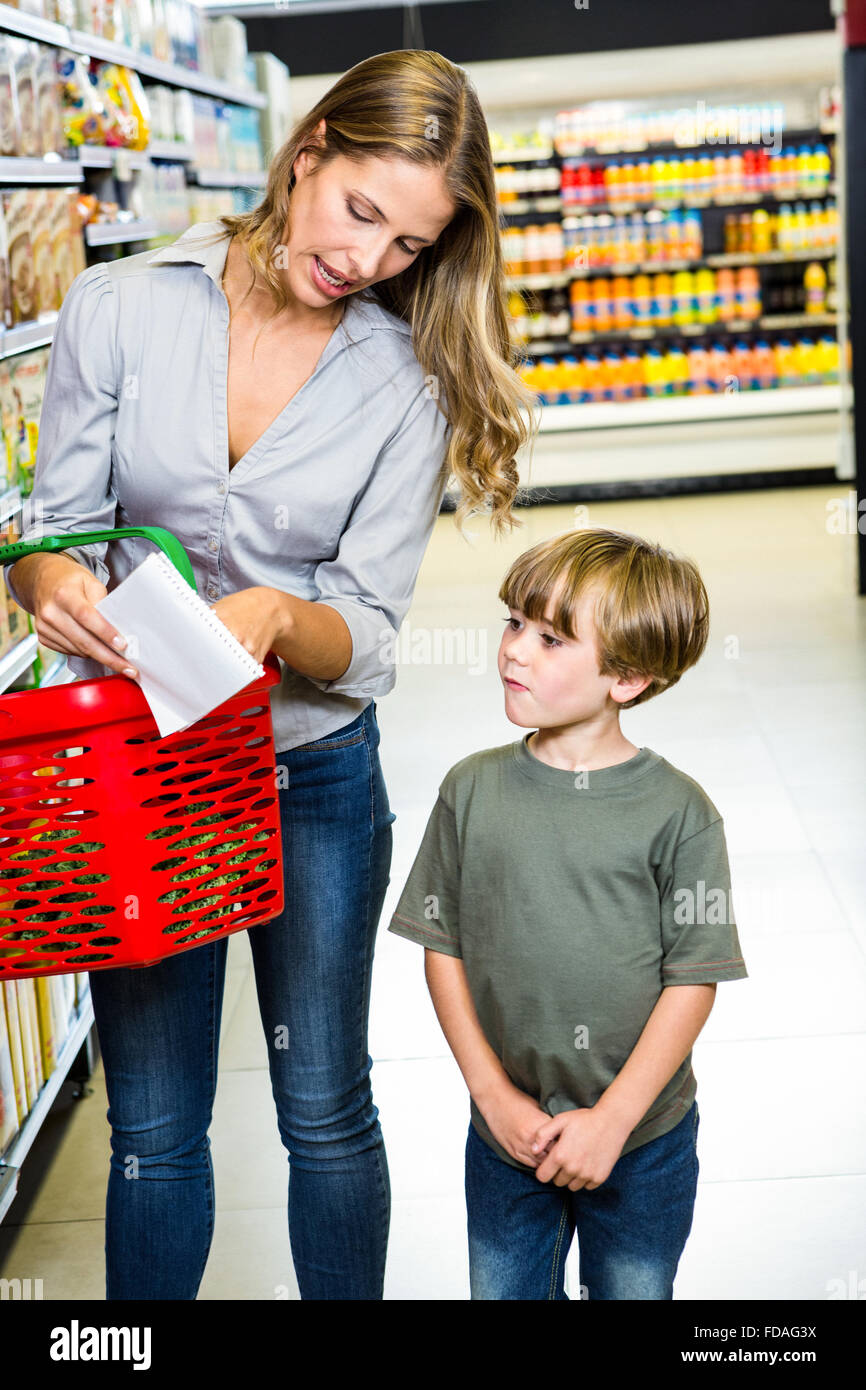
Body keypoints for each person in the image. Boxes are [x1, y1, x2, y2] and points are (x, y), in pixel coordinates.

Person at [3, 49, 539, 1300]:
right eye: (359, 211)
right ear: (307, 154)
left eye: (408, 246)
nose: (367, 261)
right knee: (152, 1131)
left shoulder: (407, 380)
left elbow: (368, 634)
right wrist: (45, 582)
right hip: (141, 778)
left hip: (308, 776)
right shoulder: (120, 307)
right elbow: (53, 532)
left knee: (322, 1107)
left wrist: (281, 617)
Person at [387, 526, 748, 1300]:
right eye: (514, 623)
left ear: (628, 678)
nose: (515, 650)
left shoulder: (681, 814)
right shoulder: (470, 790)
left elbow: (695, 979)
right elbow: (440, 944)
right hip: (506, 1138)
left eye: (552, 639)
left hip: (643, 1139)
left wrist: (614, 1119)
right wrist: (492, 1096)